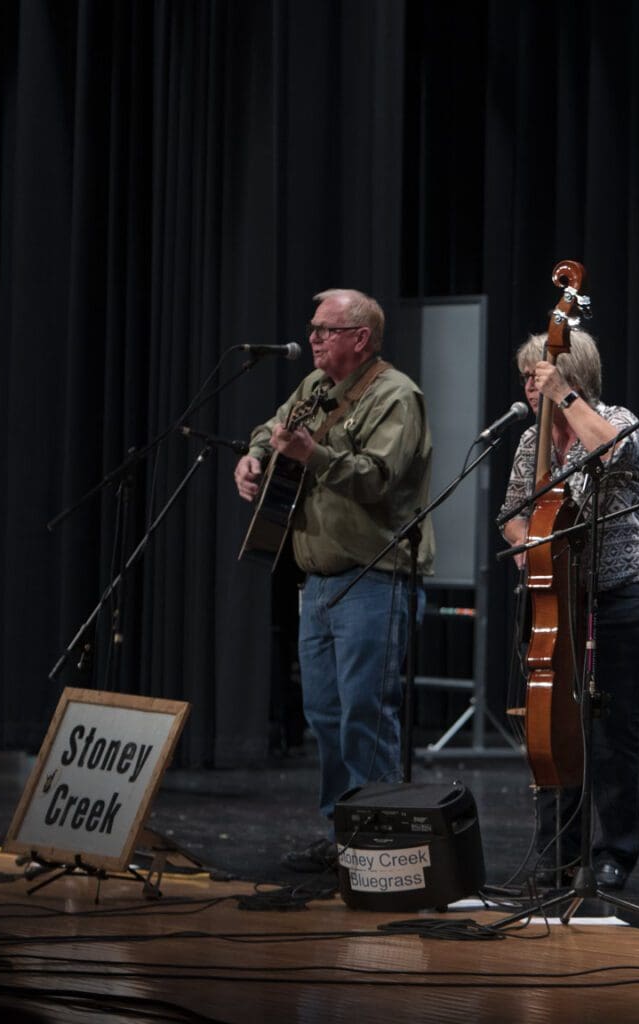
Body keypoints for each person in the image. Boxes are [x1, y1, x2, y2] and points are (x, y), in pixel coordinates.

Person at [234, 288, 435, 871]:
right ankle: (342, 835)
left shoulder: (396, 395)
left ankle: (383, 845)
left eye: (325, 330)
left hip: (374, 579)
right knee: (323, 713)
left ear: (360, 338)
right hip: (318, 582)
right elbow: (269, 428)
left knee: (366, 715)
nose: (314, 339)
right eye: (314, 329)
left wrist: (312, 454)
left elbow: (379, 479)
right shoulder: (315, 389)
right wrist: (251, 457)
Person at [499, 329, 639, 891]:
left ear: (571, 375)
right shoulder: (530, 441)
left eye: (538, 373)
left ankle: (613, 851)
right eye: (527, 375)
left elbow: (613, 452)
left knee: (611, 733)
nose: (530, 384)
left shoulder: (615, 418)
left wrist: (565, 395)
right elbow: (512, 514)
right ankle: (556, 852)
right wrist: (532, 555)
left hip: (618, 597)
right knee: (549, 723)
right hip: (554, 600)